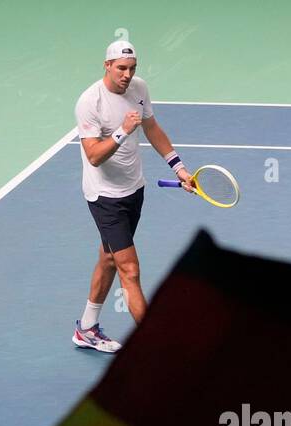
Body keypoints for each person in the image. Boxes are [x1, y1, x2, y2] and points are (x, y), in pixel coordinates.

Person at [71, 38, 194, 353]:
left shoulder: (139, 89)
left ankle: (86, 328)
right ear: (107, 66)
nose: (127, 75)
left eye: (132, 68)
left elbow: (152, 129)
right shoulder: (89, 102)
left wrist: (178, 166)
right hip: (104, 197)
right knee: (130, 269)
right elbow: (94, 156)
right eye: (121, 68)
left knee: (109, 258)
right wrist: (122, 131)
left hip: (133, 189)